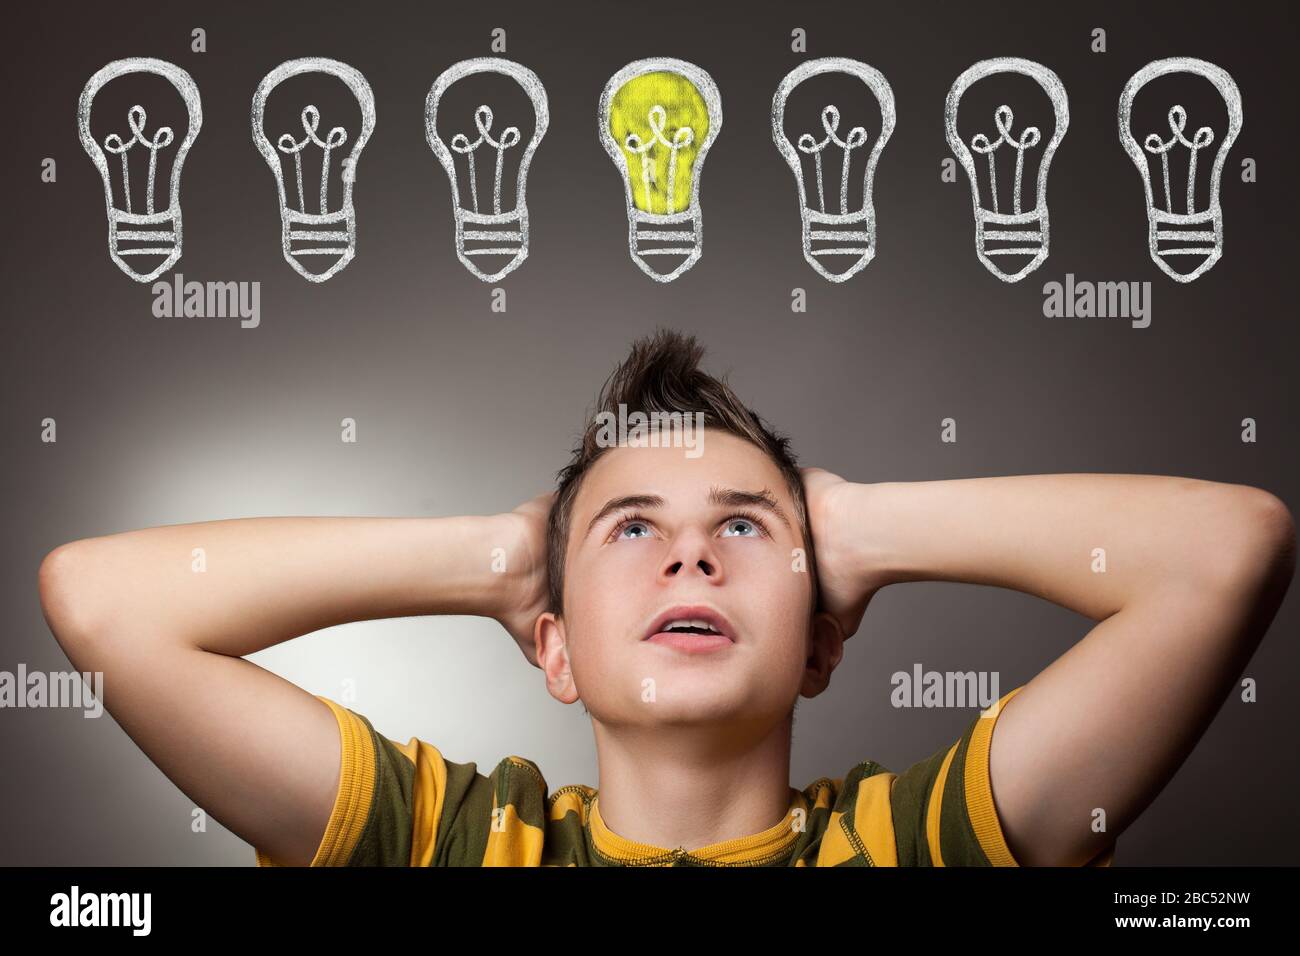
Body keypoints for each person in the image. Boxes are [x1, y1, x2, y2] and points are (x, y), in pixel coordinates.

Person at [37, 328, 1295, 866]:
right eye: (632, 529)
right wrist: (494, 556)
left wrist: (855, 525)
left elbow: (1227, 551)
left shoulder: (924, 843)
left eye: (740, 529)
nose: (690, 559)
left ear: (820, 643)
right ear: (557, 647)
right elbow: (101, 601)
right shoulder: (449, 841)